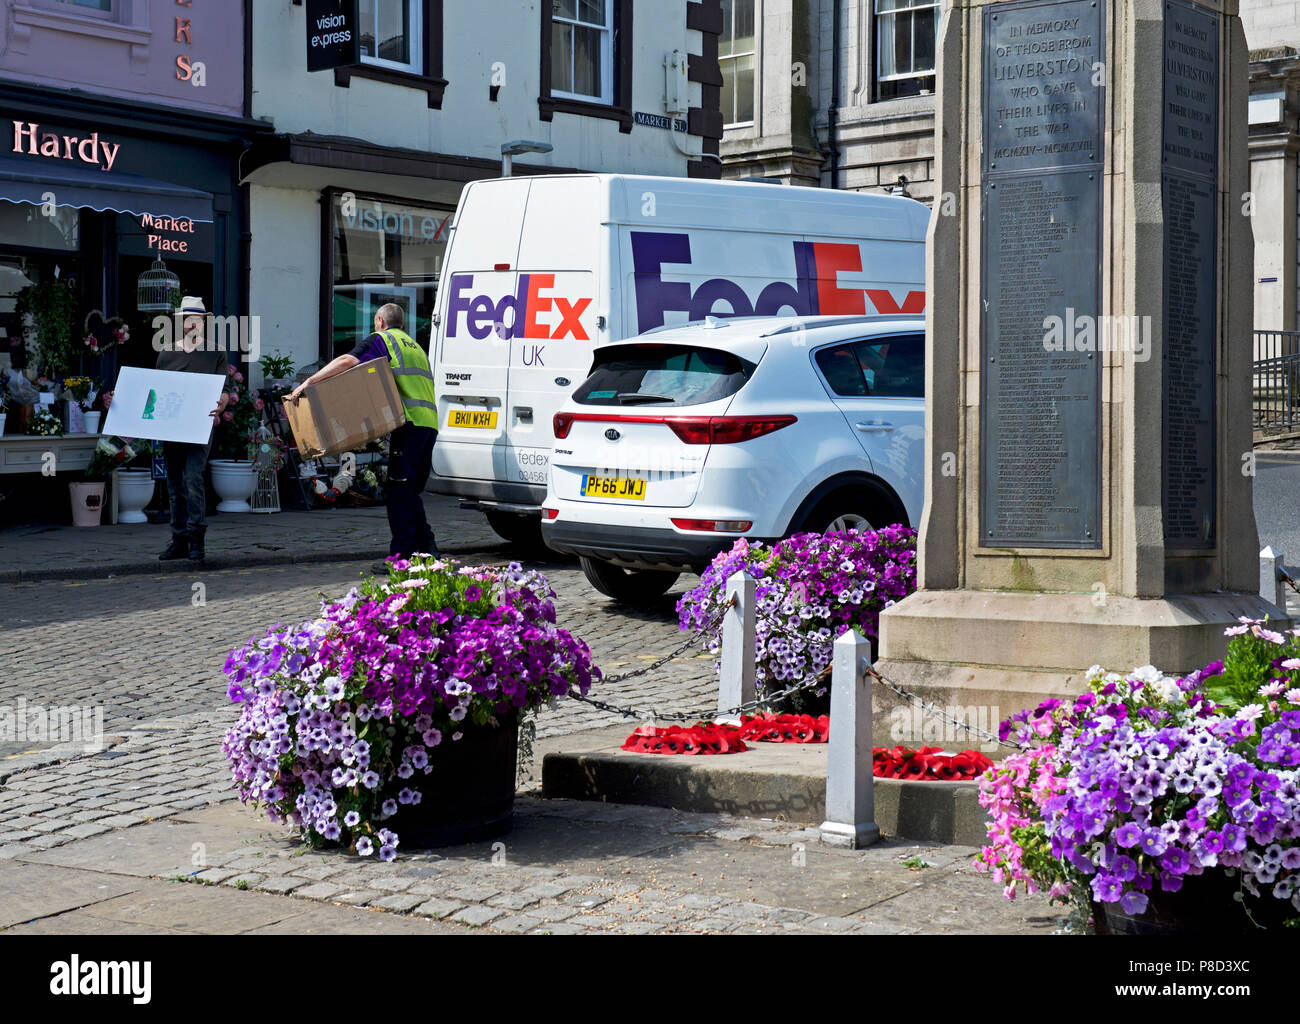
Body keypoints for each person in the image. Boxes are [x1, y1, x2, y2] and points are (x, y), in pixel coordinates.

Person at [288, 303, 439, 571]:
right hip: (429, 425)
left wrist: (310, 382)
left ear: (380, 321)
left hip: (411, 425)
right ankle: (428, 551)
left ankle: (401, 559)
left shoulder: (383, 339)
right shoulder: (414, 347)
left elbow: (348, 361)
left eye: (375, 322)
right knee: (410, 491)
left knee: (398, 493)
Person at [104, 296, 229, 562]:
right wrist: (123, 399)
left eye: (197, 319)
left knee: (193, 480)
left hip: (199, 426)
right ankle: (179, 540)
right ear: (181, 321)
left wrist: (221, 404)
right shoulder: (167, 352)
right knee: (174, 485)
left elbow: (224, 391)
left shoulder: (216, 352)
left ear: (204, 322)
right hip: (172, 428)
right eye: (187, 319)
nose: (191, 323)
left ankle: (197, 540)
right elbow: (156, 391)